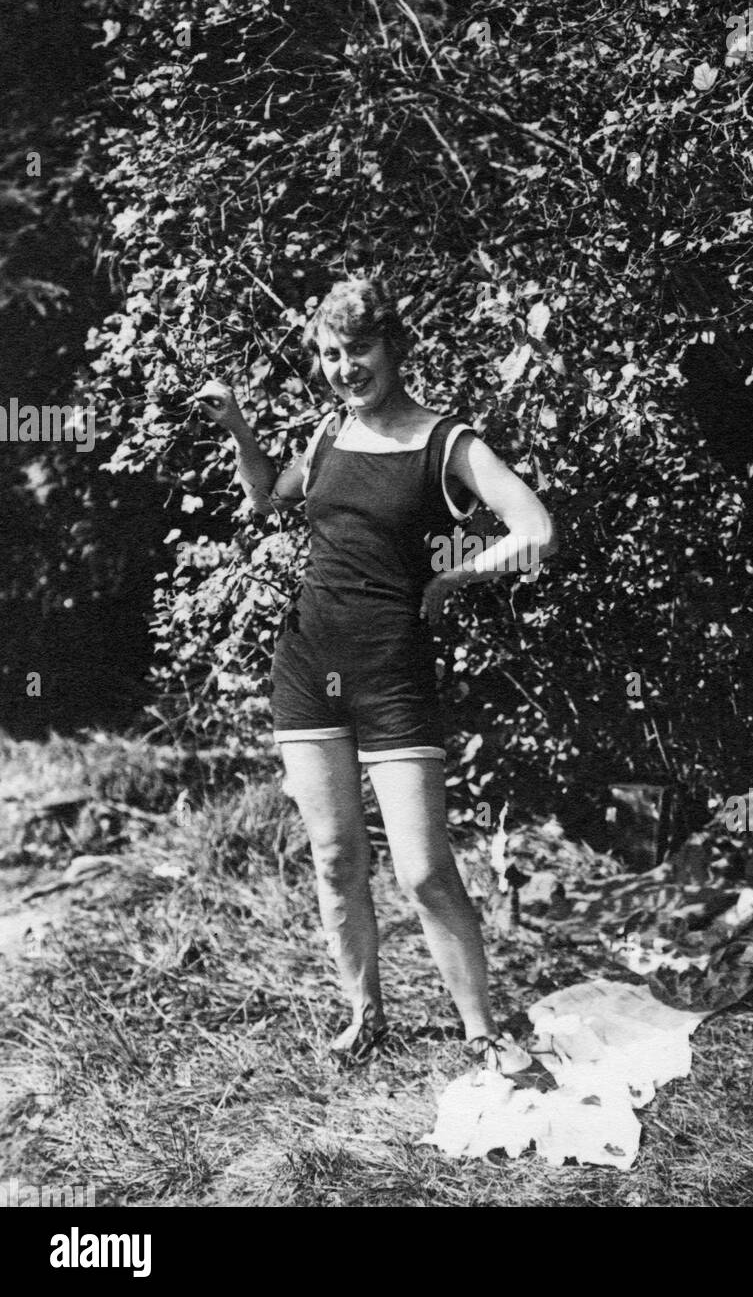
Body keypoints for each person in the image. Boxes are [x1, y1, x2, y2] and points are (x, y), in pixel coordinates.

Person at [192, 276, 557, 1070]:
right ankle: (366, 1015)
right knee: (334, 855)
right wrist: (239, 430)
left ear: (394, 348)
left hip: (392, 670)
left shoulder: (447, 443)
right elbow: (265, 500)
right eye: (329, 353)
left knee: (425, 870)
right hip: (307, 661)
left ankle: (483, 1033)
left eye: (359, 349)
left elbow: (536, 529)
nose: (344, 367)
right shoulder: (327, 435)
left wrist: (456, 574)